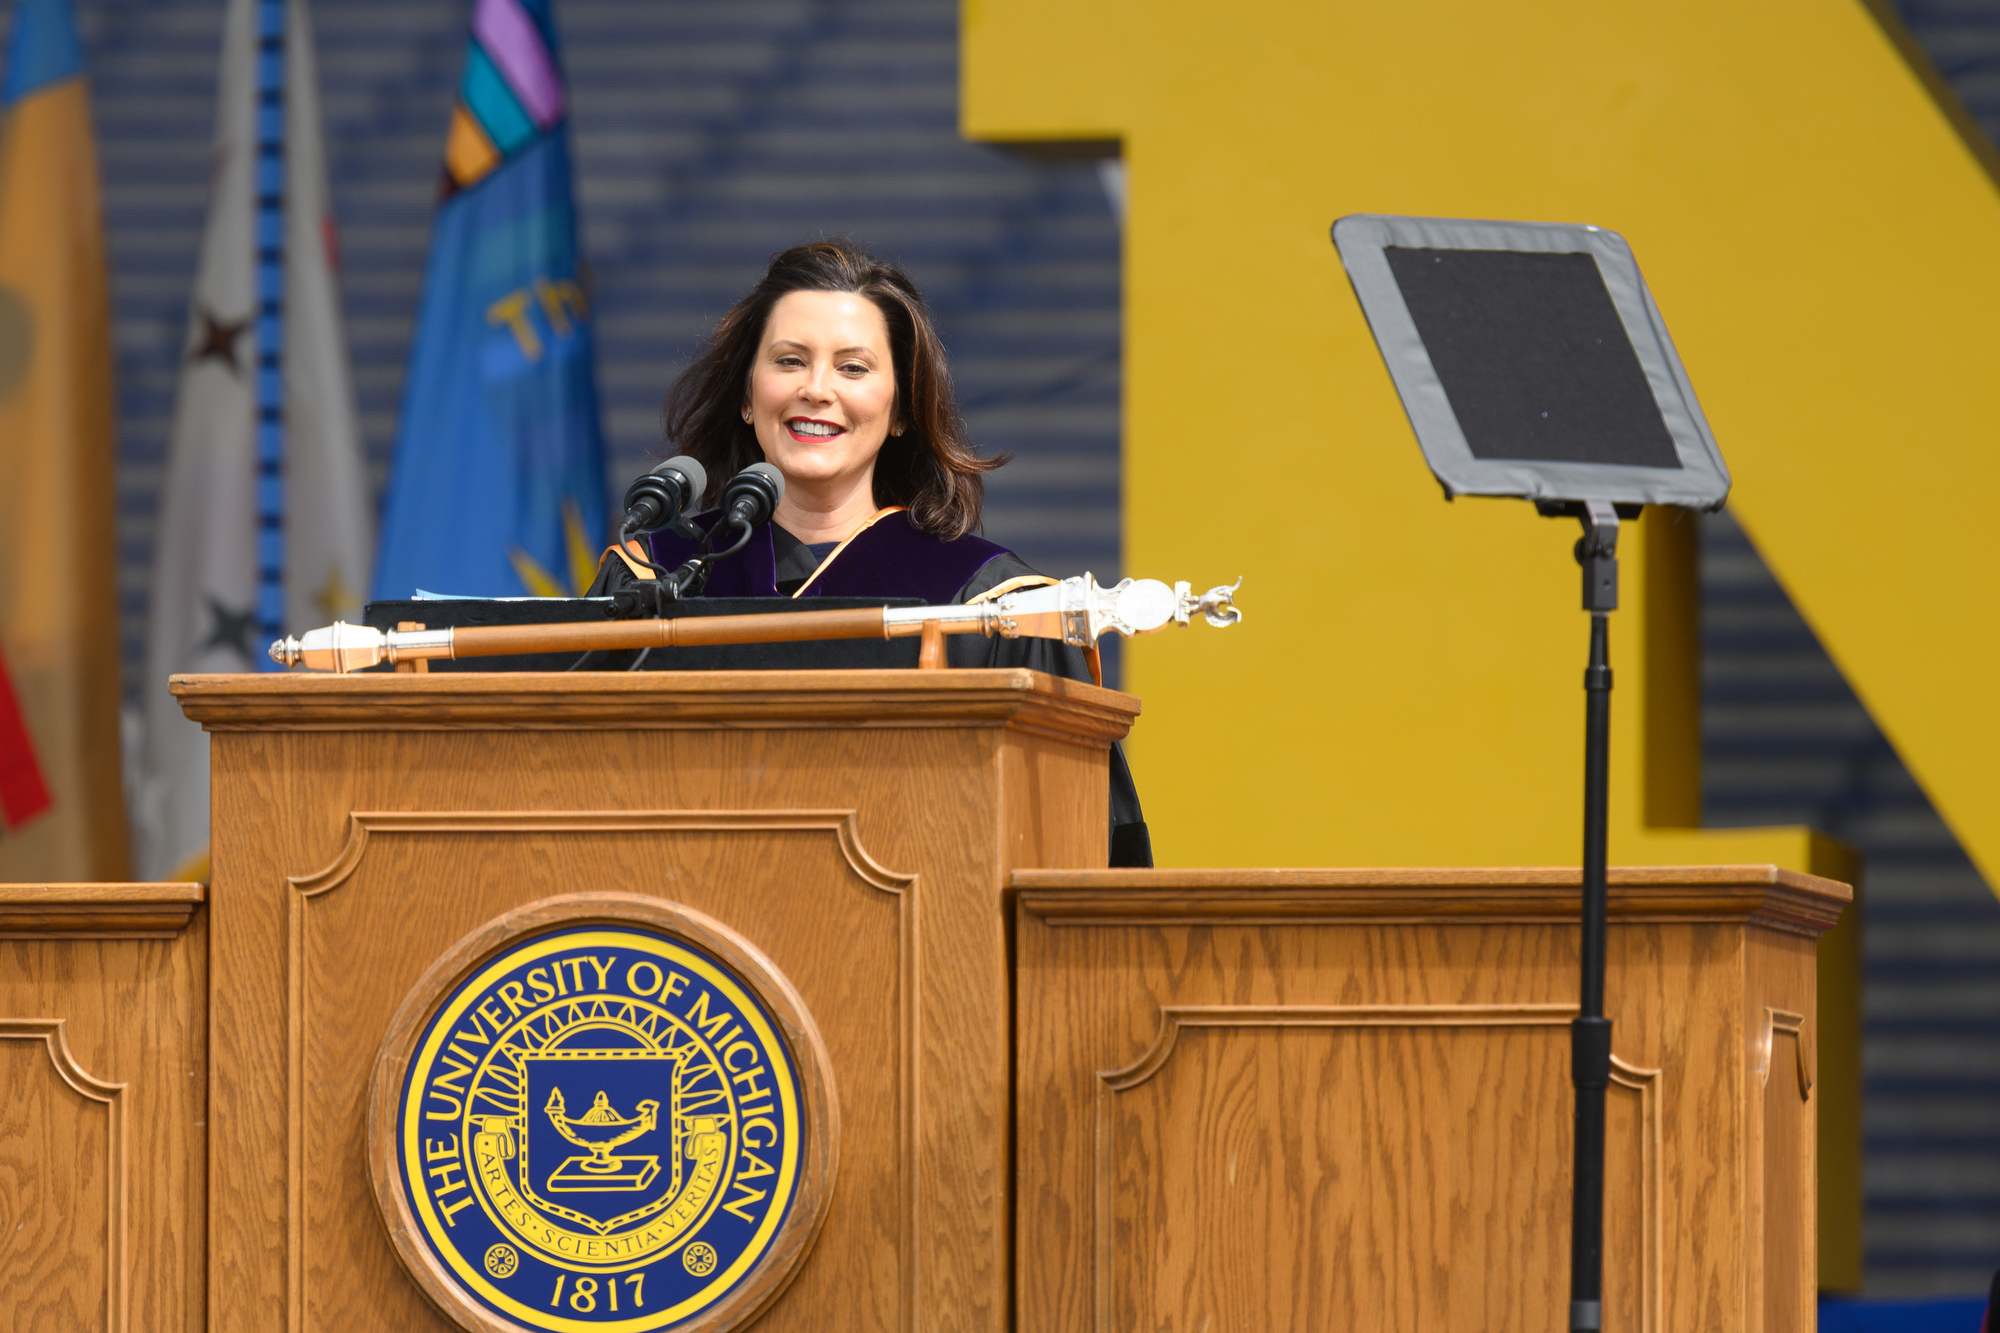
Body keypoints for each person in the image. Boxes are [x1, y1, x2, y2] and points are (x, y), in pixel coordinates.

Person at [595, 239, 1150, 866]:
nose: (816, 389)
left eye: (853, 368)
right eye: (789, 361)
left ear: (900, 412)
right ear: (748, 397)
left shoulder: (994, 606)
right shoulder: (655, 576)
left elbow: (1072, 848)